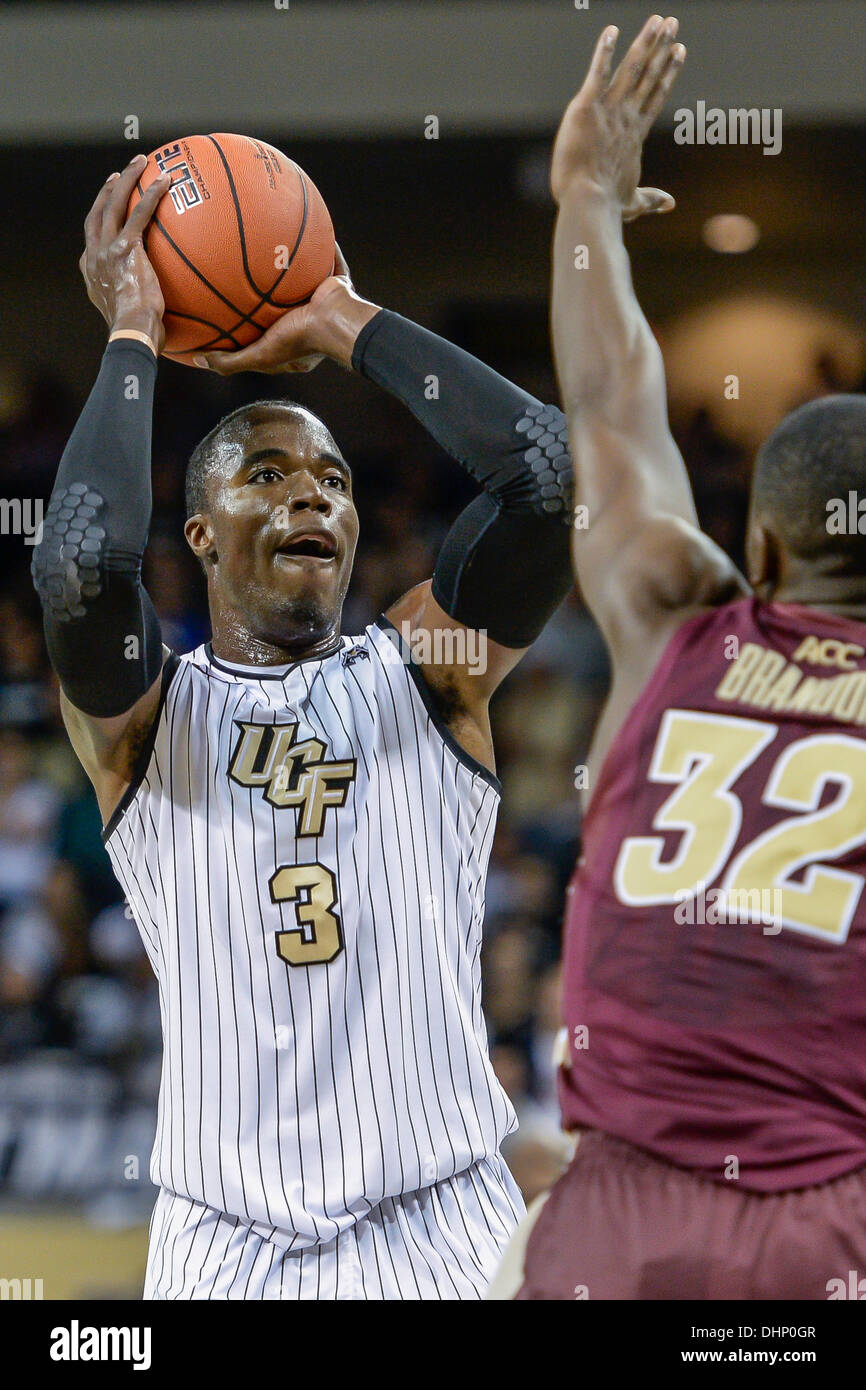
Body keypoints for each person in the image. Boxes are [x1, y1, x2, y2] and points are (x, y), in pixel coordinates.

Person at [31, 150, 584, 1300]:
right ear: (196, 535)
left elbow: (546, 477)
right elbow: (82, 561)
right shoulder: (146, 721)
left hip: (443, 1225)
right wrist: (133, 330)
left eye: (331, 479)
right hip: (229, 1246)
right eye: (265, 473)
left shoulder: (429, 676)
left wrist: (339, 315)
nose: (309, 495)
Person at [497, 14, 866, 1300]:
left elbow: (607, 405)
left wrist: (585, 202)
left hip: (619, 1207)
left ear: (755, 551)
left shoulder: (673, 611)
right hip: (832, 1213)